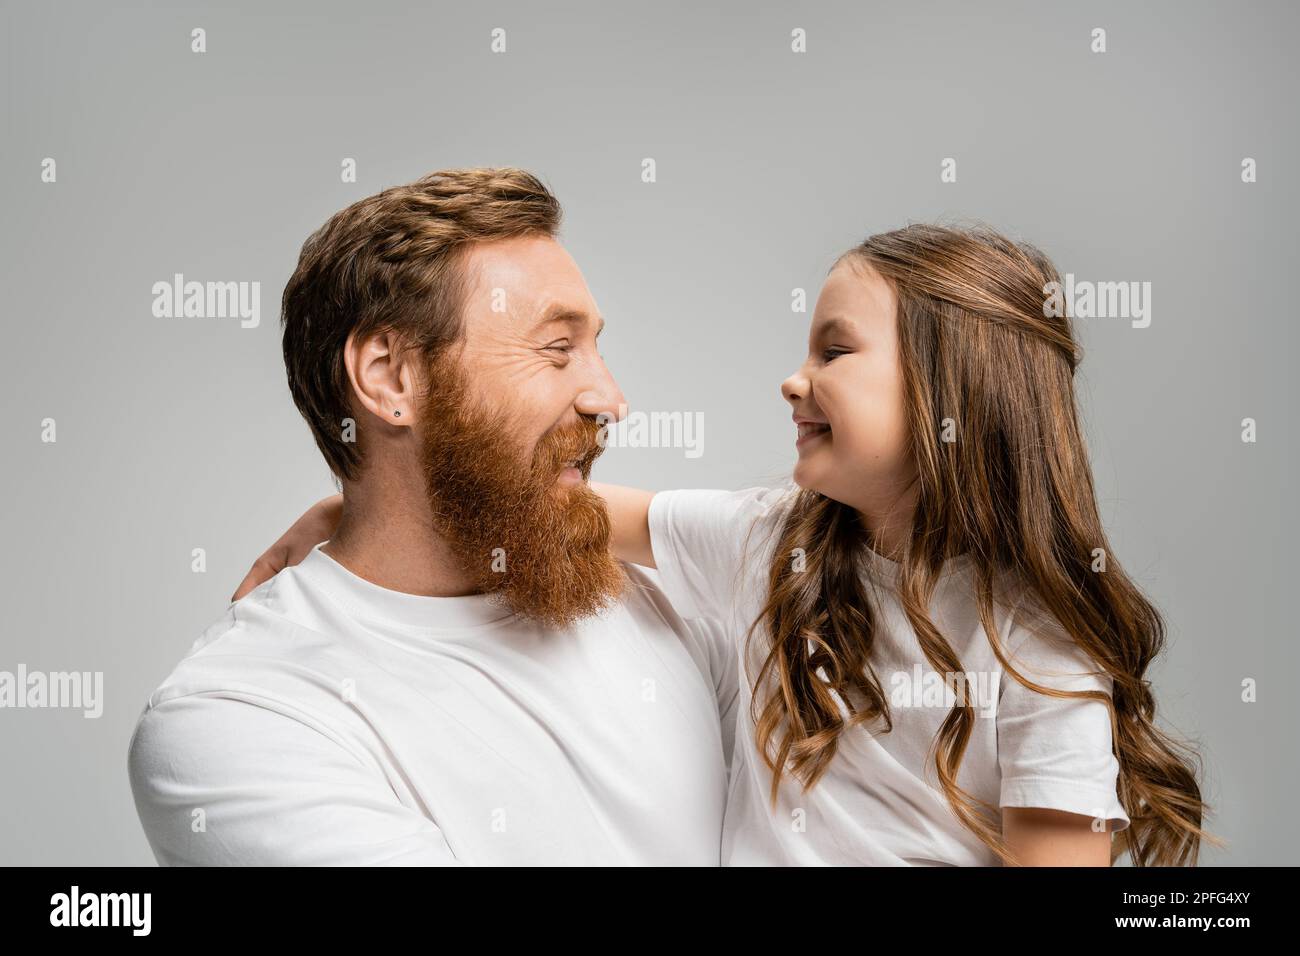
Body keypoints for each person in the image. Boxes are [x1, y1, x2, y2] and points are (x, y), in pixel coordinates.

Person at [247, 224, 1211, 866]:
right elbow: (537, 504)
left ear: (955, 395)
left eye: (833, 352)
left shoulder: (1041, 651)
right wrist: (353, 512)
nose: (792, 382)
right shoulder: (766, 545)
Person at [128, 167, 738, 866]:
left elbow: (862, 551)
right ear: (390, 376)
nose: (609, 397)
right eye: (556, 348)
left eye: (596, 348)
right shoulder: (239, 716)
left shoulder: (668, 606)